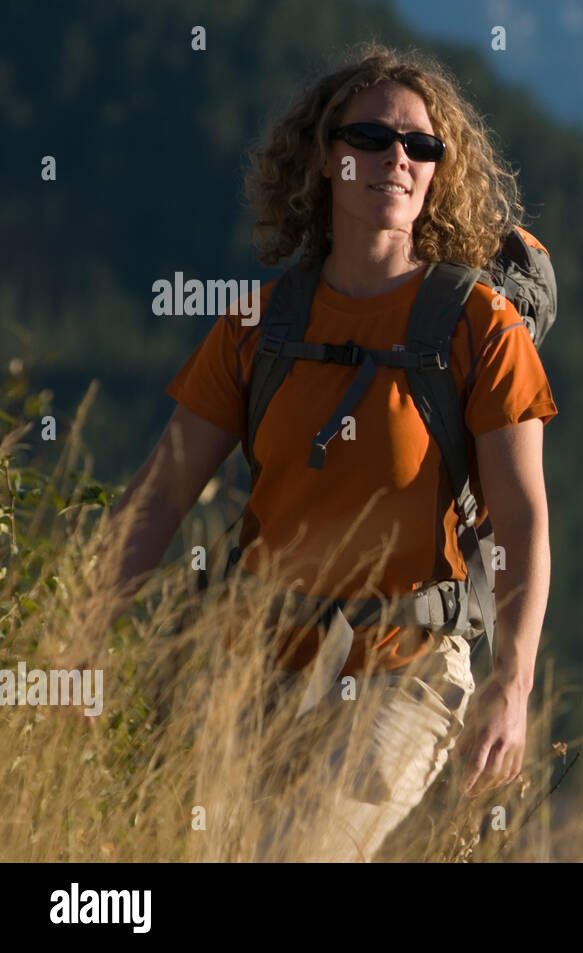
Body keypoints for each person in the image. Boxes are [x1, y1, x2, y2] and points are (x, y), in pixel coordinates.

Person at [103, 43, 557, 861]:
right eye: (372, 138)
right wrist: (86, 636)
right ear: (324, 157)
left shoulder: (481, 327)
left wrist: (511, 682)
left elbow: (524, 521)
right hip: (246, 668)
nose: (397, 159)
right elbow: (161, 494)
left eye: (421, 146)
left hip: (405, 673)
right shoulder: (260, 324)